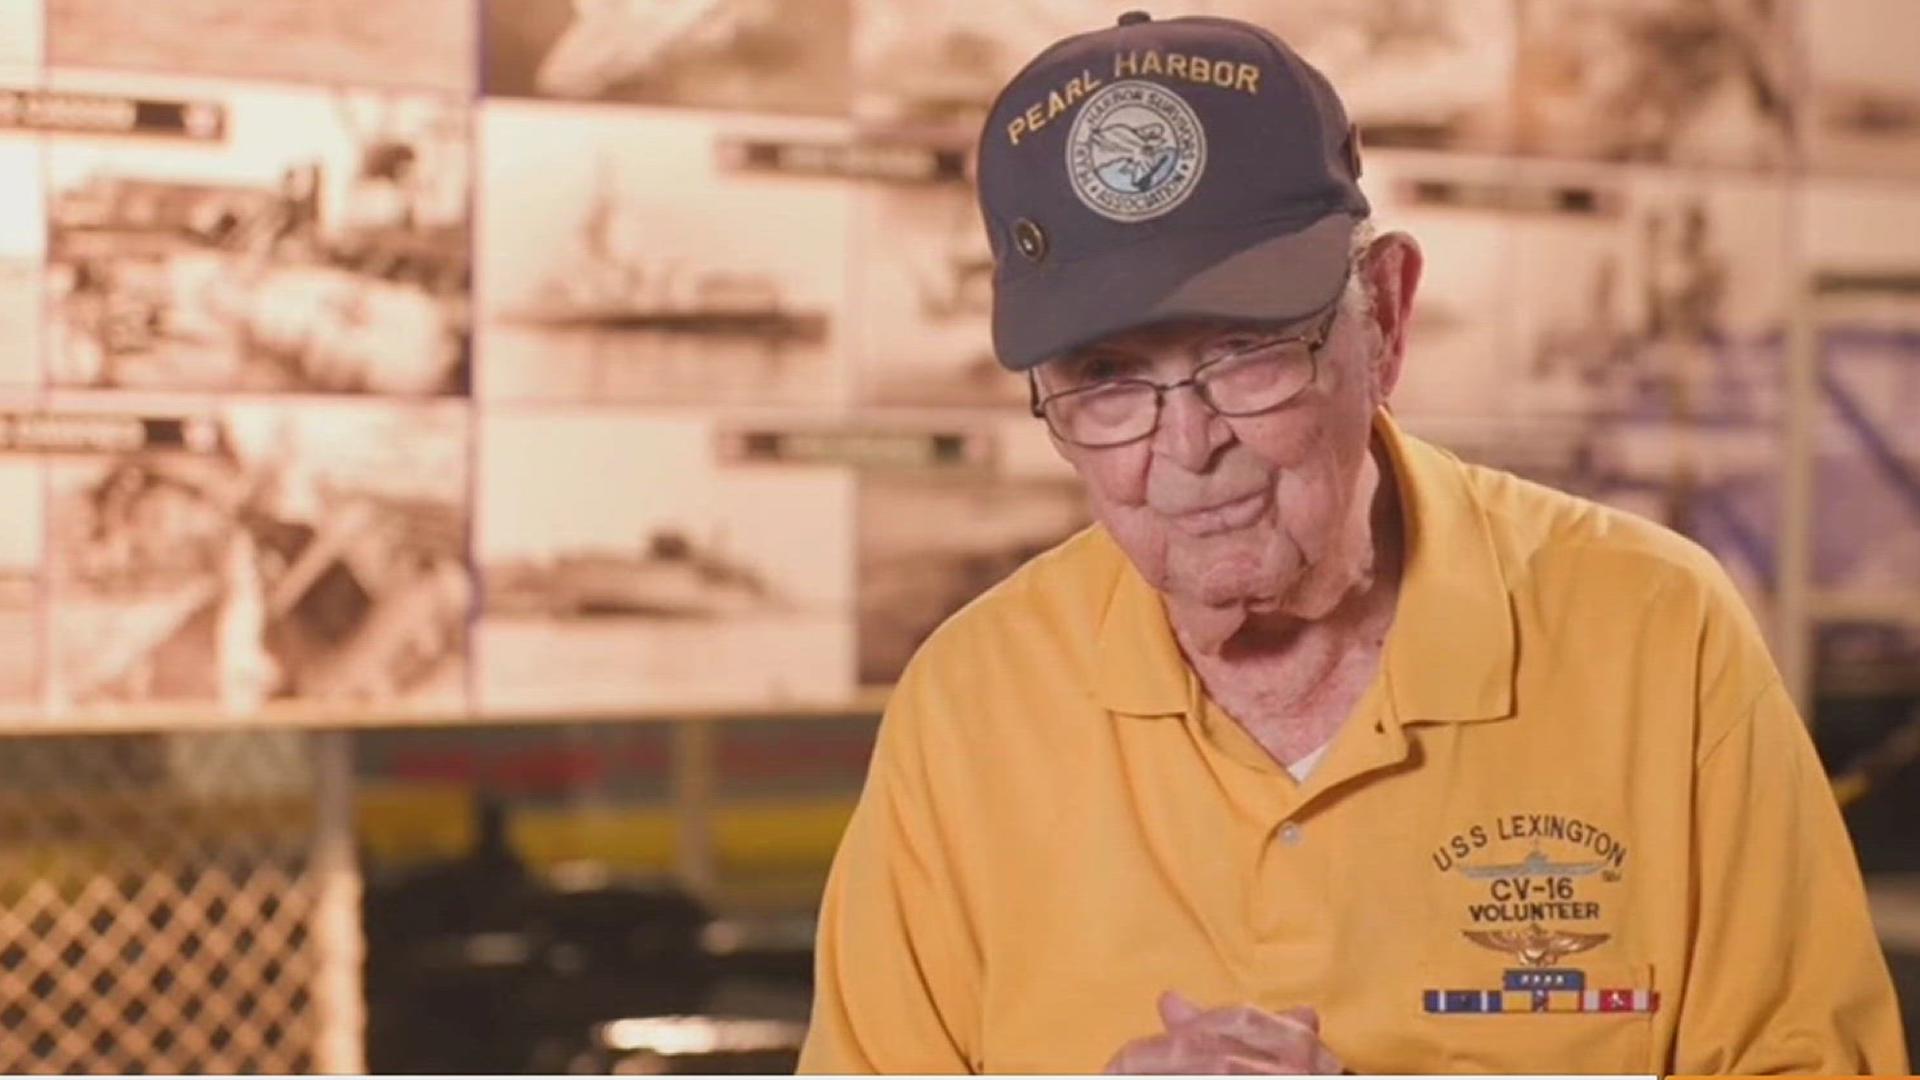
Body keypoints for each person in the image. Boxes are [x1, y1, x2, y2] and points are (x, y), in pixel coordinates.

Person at [800, 11, 1908, 1075]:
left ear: (1386, 314)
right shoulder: (971, 702)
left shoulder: (1660, 637)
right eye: (1105, 380)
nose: (1189, 446)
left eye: (1246, 353)